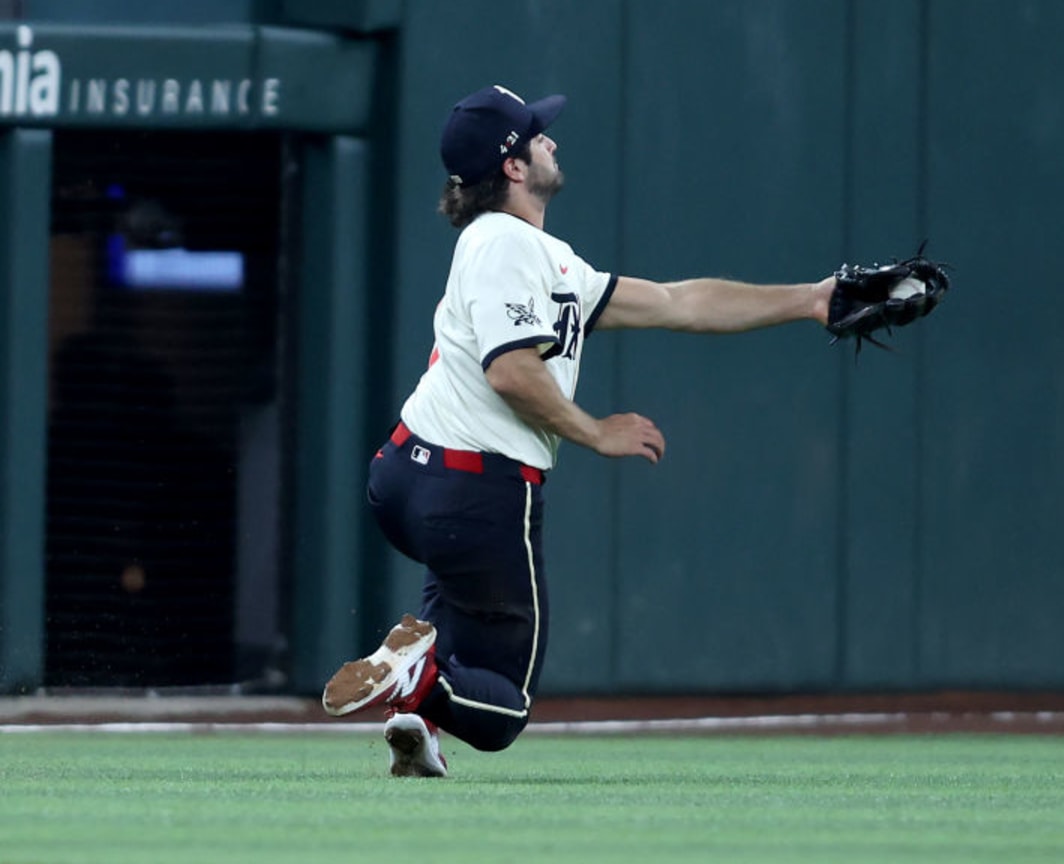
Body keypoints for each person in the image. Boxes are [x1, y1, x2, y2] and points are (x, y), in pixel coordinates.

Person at [321, 84, 834, 777]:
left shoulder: (542, 256)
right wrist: (595, 432)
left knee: (449, 628)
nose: (551, 140)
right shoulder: (502, 243)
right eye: (537, 134)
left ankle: (417, 719)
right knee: (505, 710)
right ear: (511, 165)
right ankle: (415, 684)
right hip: (474, 489)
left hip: (412, 475)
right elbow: (511, 371)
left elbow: (683, 302)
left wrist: (811, 299)